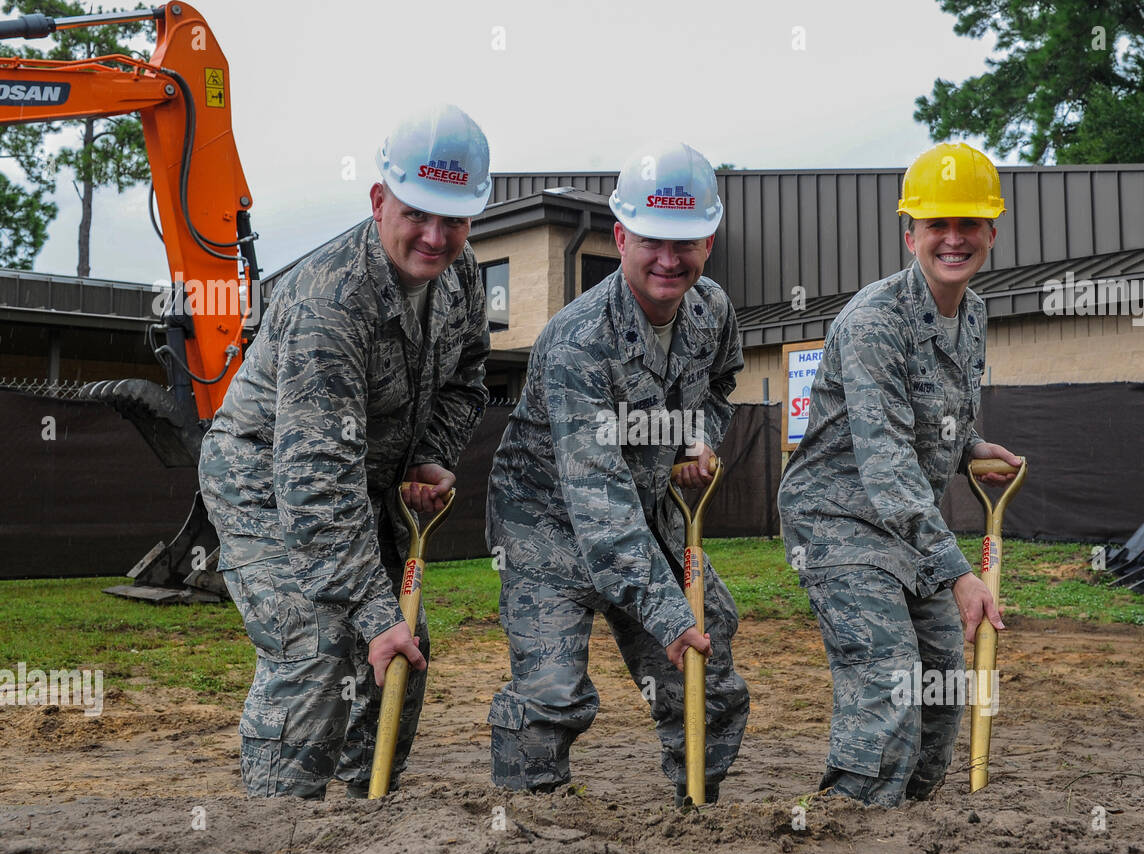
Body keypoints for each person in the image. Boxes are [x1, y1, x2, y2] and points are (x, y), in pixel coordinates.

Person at [198, 104, 492, 799]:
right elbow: (316, 486)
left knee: (404, 650)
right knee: (317, 644)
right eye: (417, 212)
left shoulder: (462, 275)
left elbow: (468, 376)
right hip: (267, 481)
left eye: (453, 219)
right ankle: (279, 827)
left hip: (364, 480)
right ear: (379, 200)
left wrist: (429, 454)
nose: (434, 235)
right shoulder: (330, 301)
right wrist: (372, 611)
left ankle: (364, 814)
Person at [485, 141, 748, 805]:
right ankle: (529, 821)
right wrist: (666, 613)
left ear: (708, 241)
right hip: (547, 521)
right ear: (621, 235)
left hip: (646, 505)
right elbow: (597, 506)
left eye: (685, 241)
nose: (668, 259)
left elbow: (720, 384)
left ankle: (697, 813)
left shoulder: (711, 310)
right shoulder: (579, 343)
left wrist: (697, 439)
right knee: (552, 697)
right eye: (652, 240)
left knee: (708, 677)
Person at [777, 142, 1021, 807]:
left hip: (904, 527)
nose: (952, 239)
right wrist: (961, 574)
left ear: (991, 232)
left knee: (943, 679)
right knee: (888, 672)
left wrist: (970, 444)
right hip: (837, 520)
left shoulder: (971, 314)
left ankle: (906, 819)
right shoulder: (873, 322)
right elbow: (884, 460)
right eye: (935, 225)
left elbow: (932, 415)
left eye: (967, 224)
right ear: (909, 232)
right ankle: (853, 819)